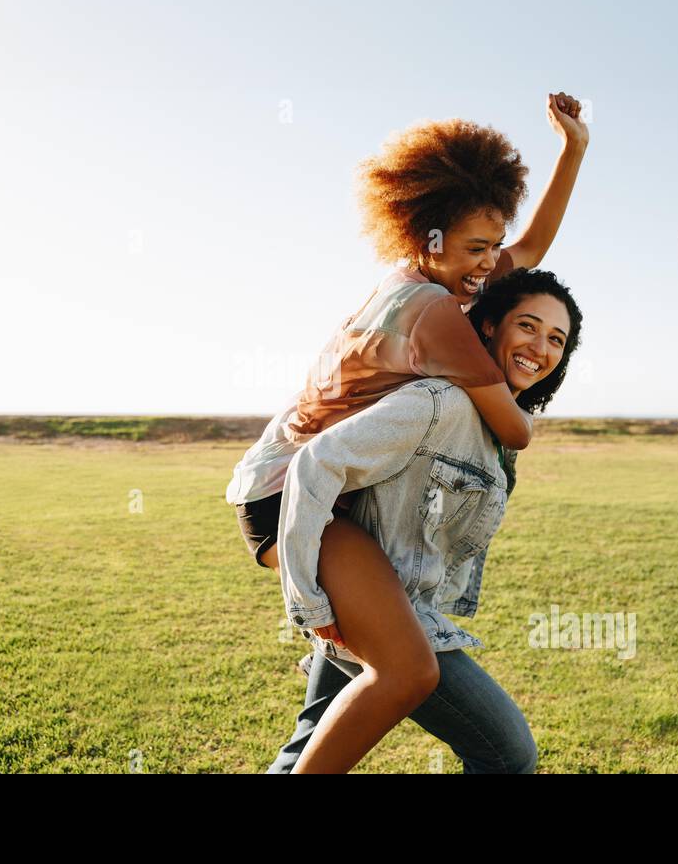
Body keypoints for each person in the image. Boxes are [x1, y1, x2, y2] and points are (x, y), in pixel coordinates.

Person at [229, 98, 589, 770]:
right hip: (288, 494)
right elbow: (515, 426)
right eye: (477, 248)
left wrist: (573, 151)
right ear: (428, 236)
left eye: (492, 245)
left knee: (330, 712)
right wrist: (308, 602)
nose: (489, 265)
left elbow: (532, 249)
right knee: (407, 672)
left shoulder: (431, 282)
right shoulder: (434, 314)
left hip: (335, 492)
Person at [267, 269, 584, 773]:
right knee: (506, 754)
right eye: (527, 326)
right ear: (487, 327)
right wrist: (308, 599)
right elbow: (319, 461)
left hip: (386, 602)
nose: (540, 347)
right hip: (377, 610)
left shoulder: (497, 428)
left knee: (306, 752)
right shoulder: (443, 402)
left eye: (556, 339)